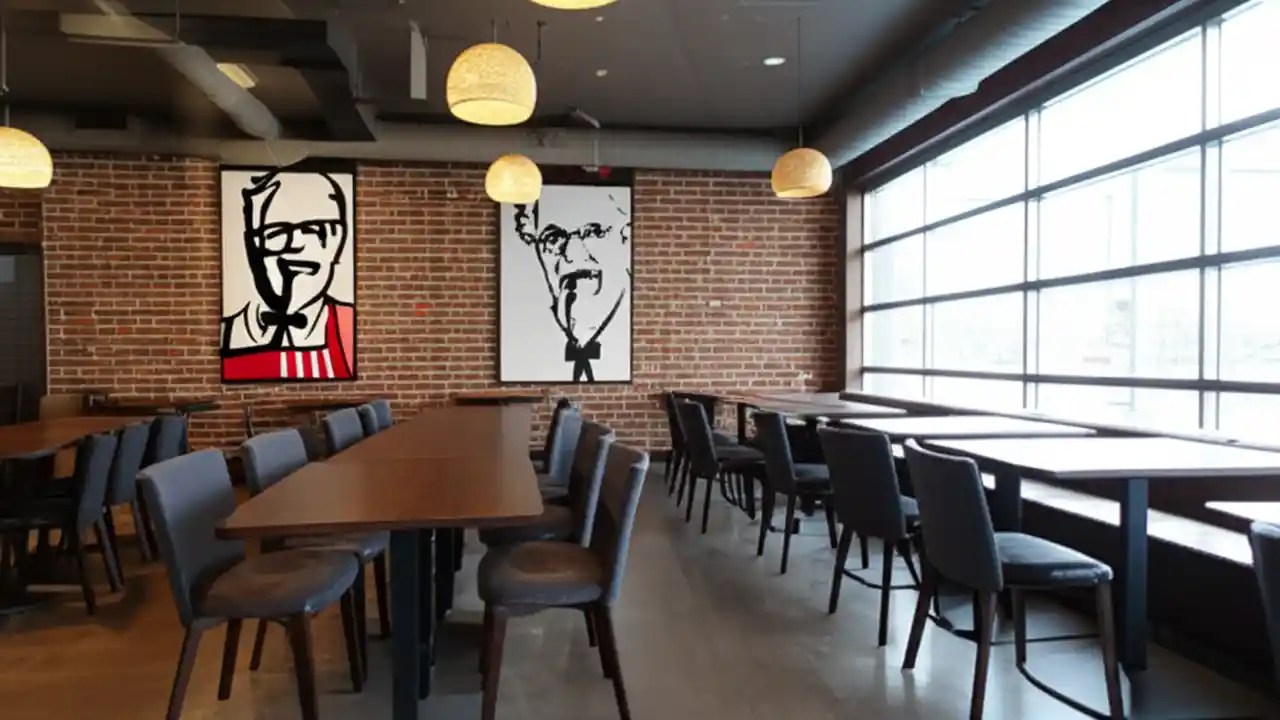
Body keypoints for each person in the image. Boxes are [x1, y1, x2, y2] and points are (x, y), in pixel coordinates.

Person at [220, 169, 356, 381]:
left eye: (314, 229)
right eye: (277, 232)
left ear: (338, 241)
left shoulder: (348, 328)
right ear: (252, 245)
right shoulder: (226, 335)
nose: (296, 245)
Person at [512, 190, 631, 382]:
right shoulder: (523, 341)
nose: (570, 254)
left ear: (627, 236)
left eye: (594, 232)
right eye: (553, 239)